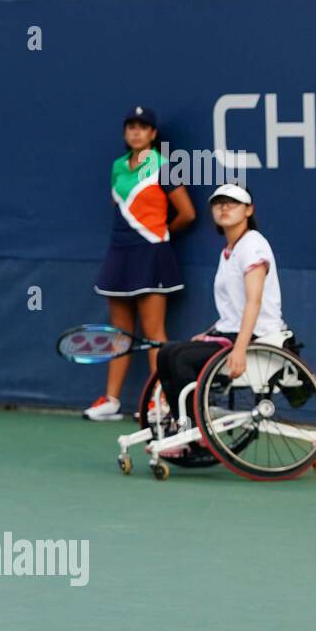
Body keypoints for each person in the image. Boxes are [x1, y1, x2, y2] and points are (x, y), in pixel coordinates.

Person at [153, 184, 287, 452]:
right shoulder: (229, 251)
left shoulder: (253, 245)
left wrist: (239, 349)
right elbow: (233, 310)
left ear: (249, 210)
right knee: (167, 352)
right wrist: (208, 333)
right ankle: (185, 424)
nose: (224, 207)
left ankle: (194, 429)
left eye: (233, 203)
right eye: (218, 203)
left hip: (256, 337)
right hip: (230, 333)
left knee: (180, 357)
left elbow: (254, 301)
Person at [85, 106, 195, 420]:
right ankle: (111, 401)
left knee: (153, 332)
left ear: (153, 134)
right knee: (120, 331)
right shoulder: (117, 166)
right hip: (119, 253)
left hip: (152, 255)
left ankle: (158, 402)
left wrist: (158, 235)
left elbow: (187, 213)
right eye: (131, 127)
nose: (136, 132)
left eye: (142, 127)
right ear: (125, 133)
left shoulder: (165, 166)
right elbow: (118, 208)